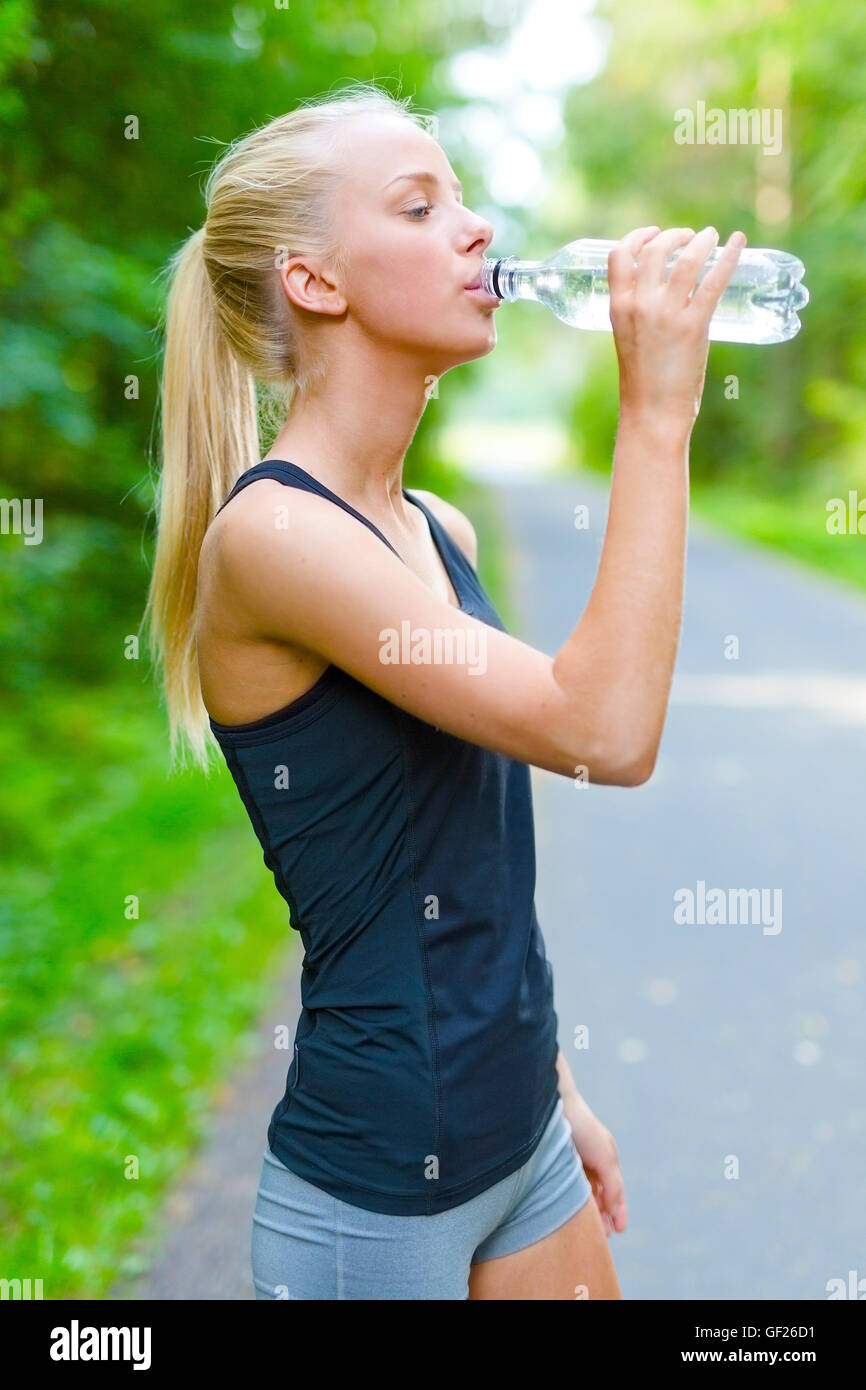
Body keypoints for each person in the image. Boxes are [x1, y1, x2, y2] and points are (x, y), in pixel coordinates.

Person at [145, 81, 745, 1300]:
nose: (477, 229)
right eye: (420, 207)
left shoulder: (438, 529)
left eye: (465, 197)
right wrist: (656, 414)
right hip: (374, 1198)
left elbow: (469, 860)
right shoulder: (270, 540)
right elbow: (605, 730)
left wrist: (554, 1087)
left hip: (520, 1144)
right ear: (316, 282)